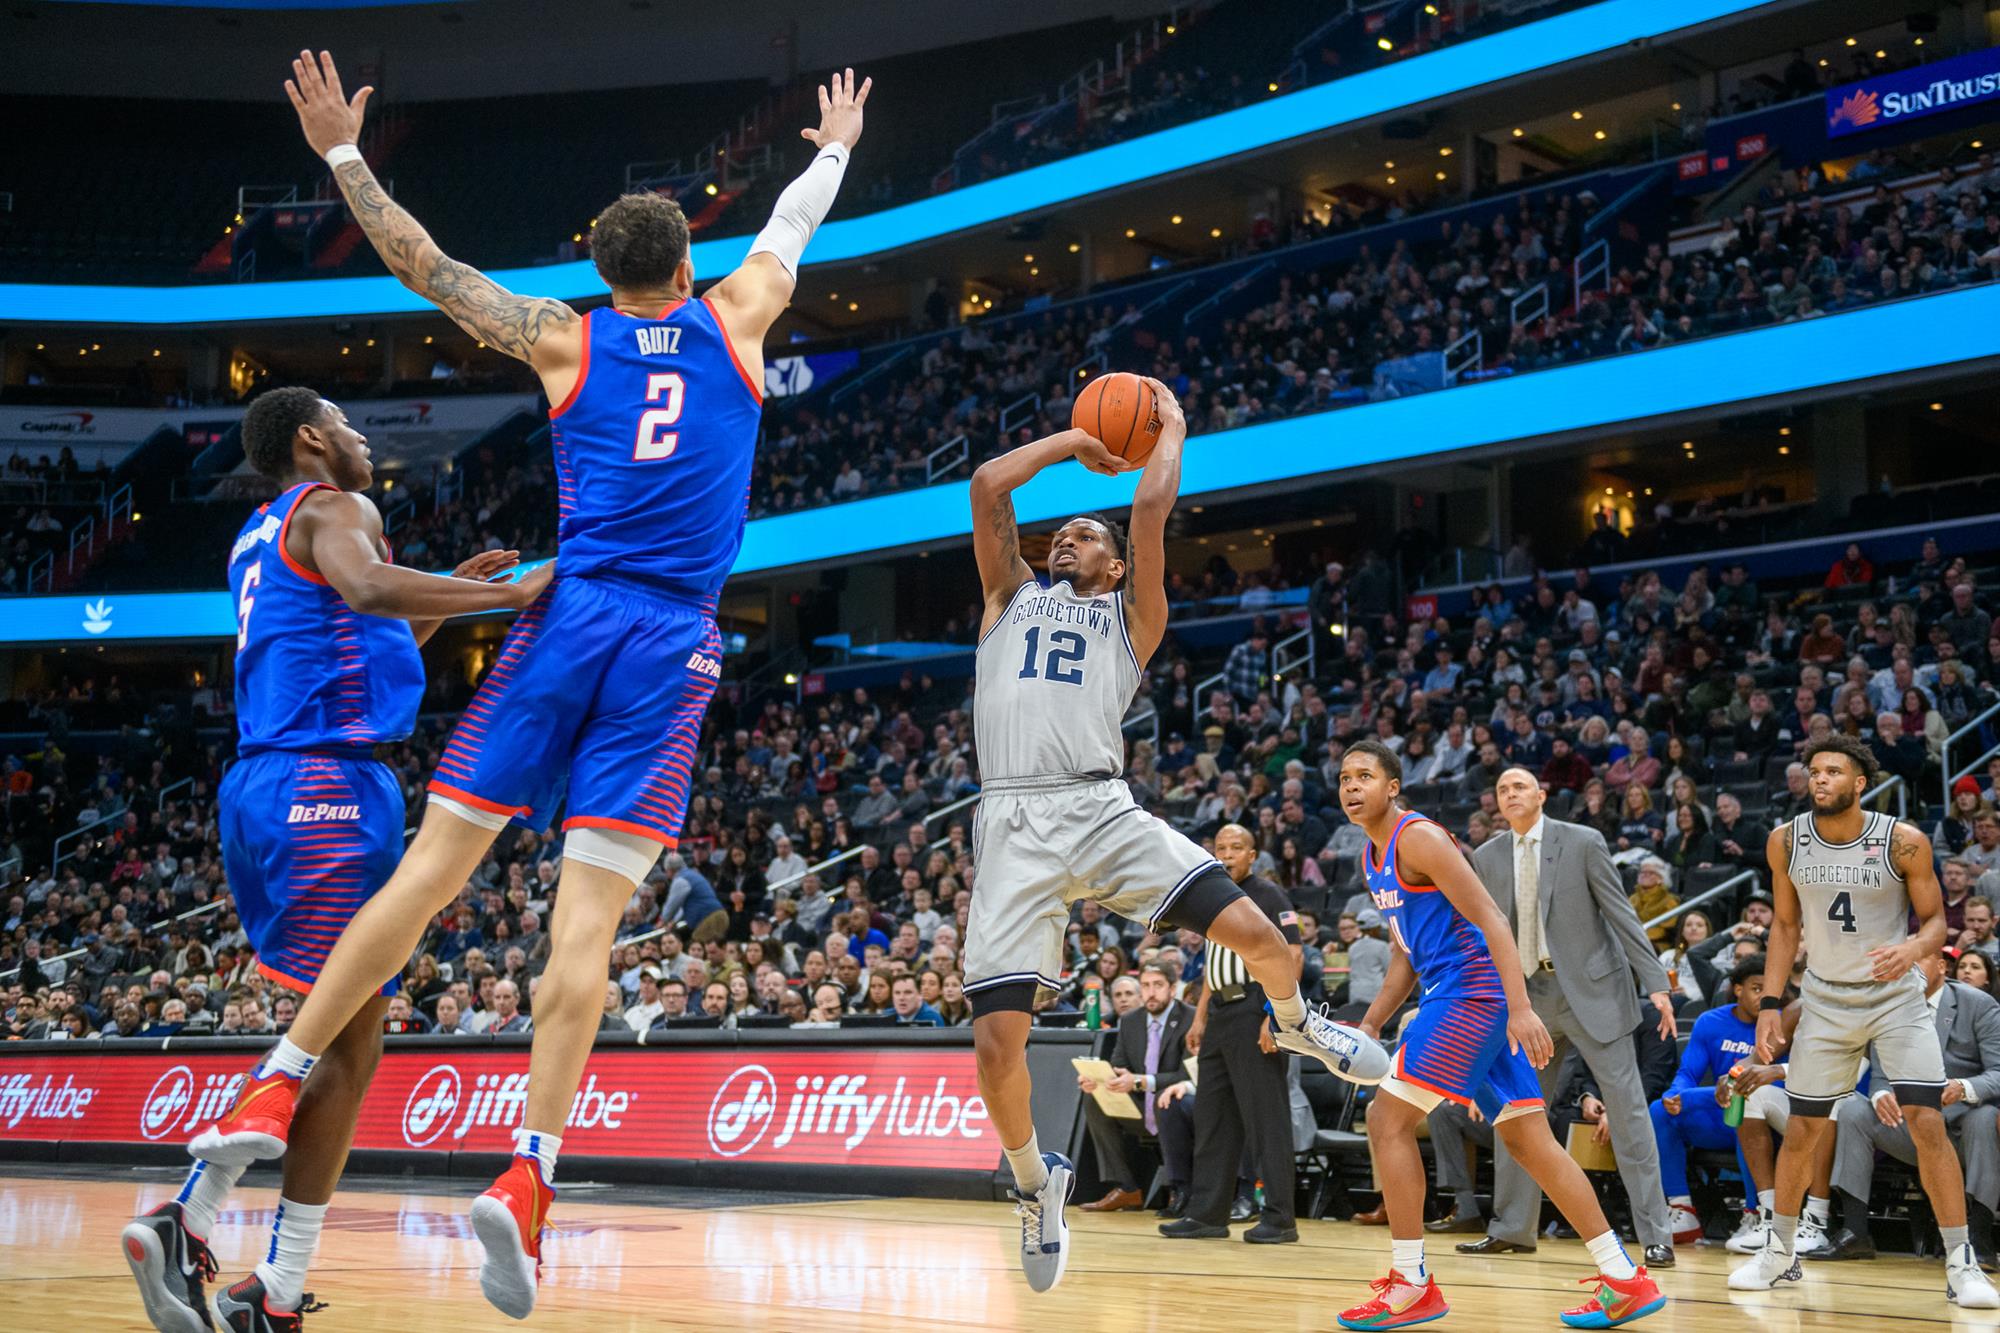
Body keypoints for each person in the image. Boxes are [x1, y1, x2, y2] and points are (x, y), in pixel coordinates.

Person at [192, 54, 872, 1323]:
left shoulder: (564, 337)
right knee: (585, 930)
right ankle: (529, 1172)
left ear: (603, 275)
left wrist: (342, 153)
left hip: (567, 615)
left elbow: (428, 268)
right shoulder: (737, 315)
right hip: (672, 640)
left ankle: (275, 1081)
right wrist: (832, 144)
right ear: (685, 265)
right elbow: (792, 220)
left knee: (428, 874)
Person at [123, 384, 548, 1333]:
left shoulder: (259, 533)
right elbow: (368, 591)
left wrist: (444, 596)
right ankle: (201, 1225)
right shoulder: (336, 506)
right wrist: (504, 593)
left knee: (346, 1036)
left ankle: (260, 1276)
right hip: (327, 788)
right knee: (351, 1043)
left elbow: (356, 640)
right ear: (313, 438)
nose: (363, 439)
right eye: (350, 424)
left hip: (263, 788)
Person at [960, 377, 1352, 1292]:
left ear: (1115, 568)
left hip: (1100, 807)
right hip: (1011, 819)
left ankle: (1300, 1023)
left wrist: (1170, 425)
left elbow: (1148, 509)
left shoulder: (1133, 618)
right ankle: (1035, 1181)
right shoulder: (1008, 595)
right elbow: (986, 486)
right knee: (995, 1046)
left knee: (1261, 937)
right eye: (1062, 533)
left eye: (1086, 536)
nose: (1068, 538)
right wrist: (1071, 442)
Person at [1336, 740, 1665, 1331]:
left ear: (1393, 787)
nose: (1352, 786)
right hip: (1456, 993)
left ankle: (1410, 1285)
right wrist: (1371, 1022)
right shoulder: (1372, 855)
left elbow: (1493, 918)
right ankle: (1624, 1278)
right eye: (1344, 778)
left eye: (1365, 776)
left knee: (1386, 1120)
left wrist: (1520, 1008)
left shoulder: (1419, 837)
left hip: (1472, 995)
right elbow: (1405, 953)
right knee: (1530, 1142)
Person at [1730, 734, 1999, 1308]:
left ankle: (1962, 1262)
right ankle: (1779, 1251)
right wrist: (1772, 1004)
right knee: (1804, 1129)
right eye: (1813, 771)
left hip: (1894, 998)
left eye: (1832, 771)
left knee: (1926, 1120)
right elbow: (1784, 926)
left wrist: (1913, 949)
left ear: (1859, 783)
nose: (1819, 779)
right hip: (1825, 1000)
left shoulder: (1904, 841)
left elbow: (1934, 921)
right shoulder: (1786, 841)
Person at [1463, 768, 1679, 1269]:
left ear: (1541, 795)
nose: (1510, 794)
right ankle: (1512, 1228)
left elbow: (1620, 913)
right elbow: (1482, 934)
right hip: (1526, 999)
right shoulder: (1487, 856)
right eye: (1502, 790)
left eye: (1519, 787)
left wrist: (1656, 982)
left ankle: (1656, 1233)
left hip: (1593, 991)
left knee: (1628, 1114)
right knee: (1517, 1114)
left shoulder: (1582, 841)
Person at [1159, 824, 1302, 1244]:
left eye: (1236, 847)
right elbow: (1212, 966)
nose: (1227, 854)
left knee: (1266, 1119)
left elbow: (1294, 954)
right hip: (1220, 1013)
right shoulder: (1214, 897)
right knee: (1213, 1116)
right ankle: (1207, 1214)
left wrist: (1277, 1014)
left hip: (1256, 1007)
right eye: (1220, 847)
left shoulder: (1269, 895)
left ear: (1252, 855)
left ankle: (1280, 1218)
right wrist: (1200, 1017)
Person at [1828, 949, 2000, 1265]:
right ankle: (1855, 1231)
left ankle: (1979, 1238)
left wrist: (1963, 1087)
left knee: (1986, 1117)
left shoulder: (1979, 1004)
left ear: (1941, 966)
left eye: (1915, 961)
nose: (1907, 968)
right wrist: (1881, 1095)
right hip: (1911, 1124)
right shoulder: (1890, 1004)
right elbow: (1880, 1076)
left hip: (1962, 1127)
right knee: (1853, 1109)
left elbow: (1998, 1072)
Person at [1648, 958, 1801, 1248]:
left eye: (1770, 990)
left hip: (1765, 1118)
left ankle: (1755, 1213)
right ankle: (1682, 1209)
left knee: (1747, 1110)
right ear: (1738, 989)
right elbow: (1688, 1073)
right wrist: (1676, 1094)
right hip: (1719, 1115)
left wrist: (1692, 1097)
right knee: (1659, 1110)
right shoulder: (1711, 1021)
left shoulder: (1783, 1022)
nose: (1764, 997)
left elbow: (1779, 1085)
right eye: (1757, 989)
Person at [1076, 963, 1195, 1215]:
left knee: (1168, 1100)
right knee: (1095, 1098)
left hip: (1179, 1106)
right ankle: (1126, 1186)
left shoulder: (1190, 1018)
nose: (1151, 992)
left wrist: (1141, 1081)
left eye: (1158, 985)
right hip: (1142, 1107)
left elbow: (1186, 1075)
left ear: (1172, 988)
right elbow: (1120, 1066)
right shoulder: (1131, 1020)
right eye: (1146, 986)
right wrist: (1101, 1080)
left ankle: (1180, 1188)